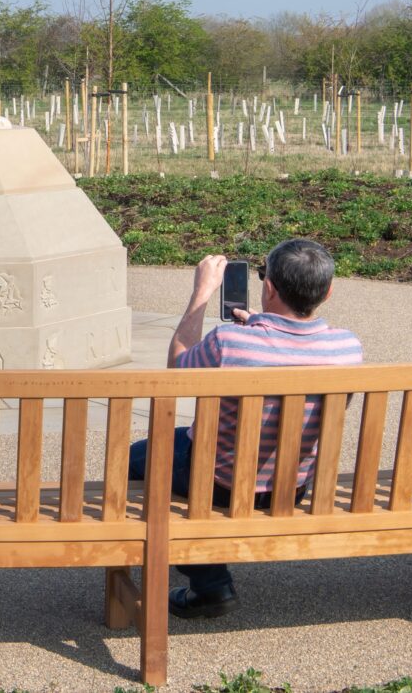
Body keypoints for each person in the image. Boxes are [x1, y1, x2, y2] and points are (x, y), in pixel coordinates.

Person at [129, 238, 363, 619]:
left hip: (220, 486)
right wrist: (261, 323)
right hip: (293, 488)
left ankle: (208, 582)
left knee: (142, 454)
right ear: (328, 291)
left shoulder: (229, 342)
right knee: (168, 449)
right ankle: (202, 568)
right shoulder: (347, 348)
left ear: (268, 288)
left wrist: (201, 294)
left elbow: (176, 373)